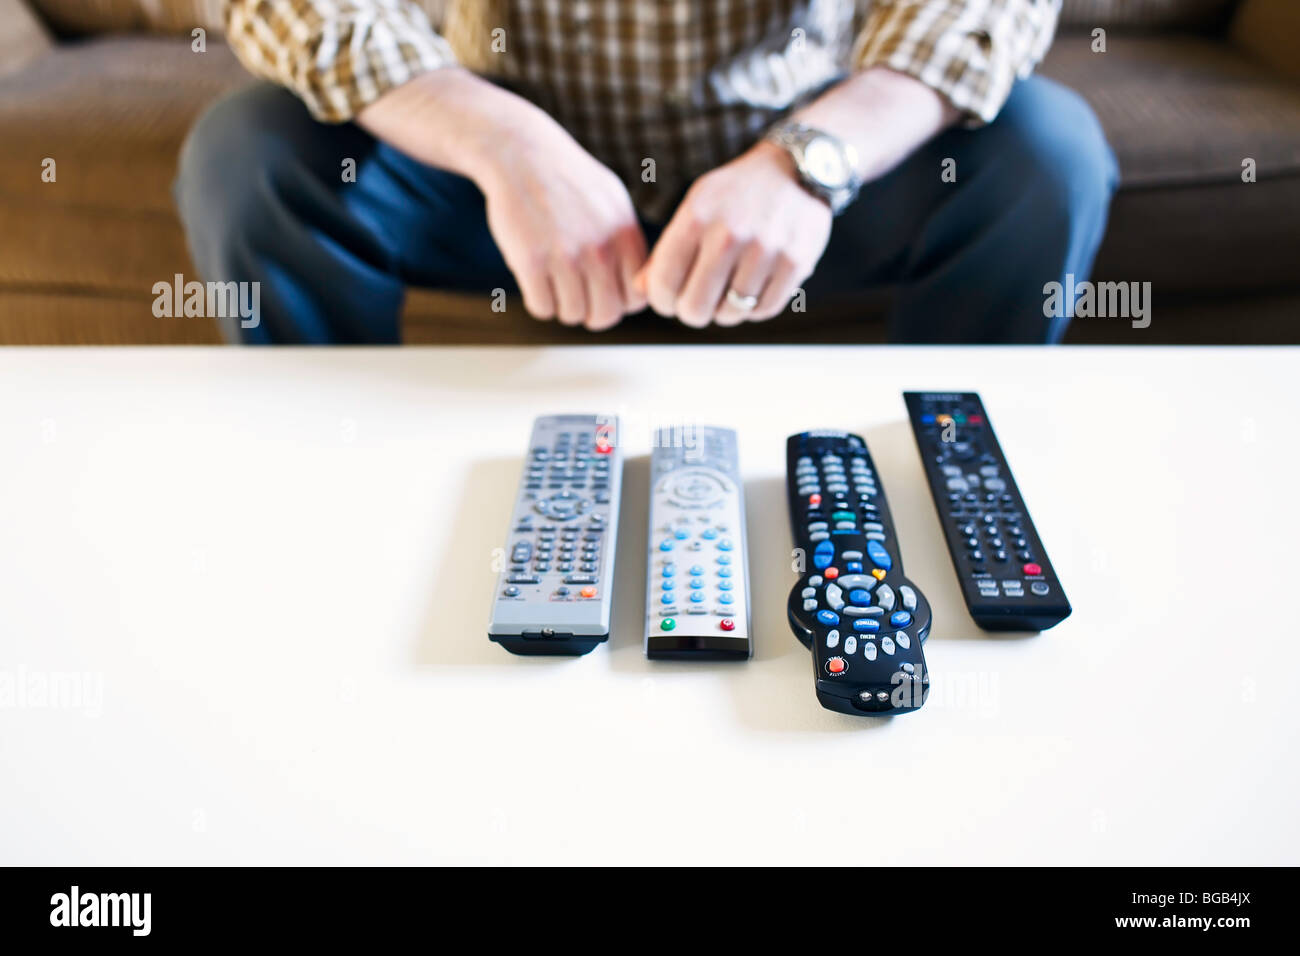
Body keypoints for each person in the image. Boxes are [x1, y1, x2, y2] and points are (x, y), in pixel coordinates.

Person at [176, 0, 1117, 344]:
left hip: (799, 186)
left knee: (1047, 152)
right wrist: (506, 144)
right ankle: (334, 474)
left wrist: (807, 164)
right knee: (250, 152)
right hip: (507, 196)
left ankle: (946, 467)